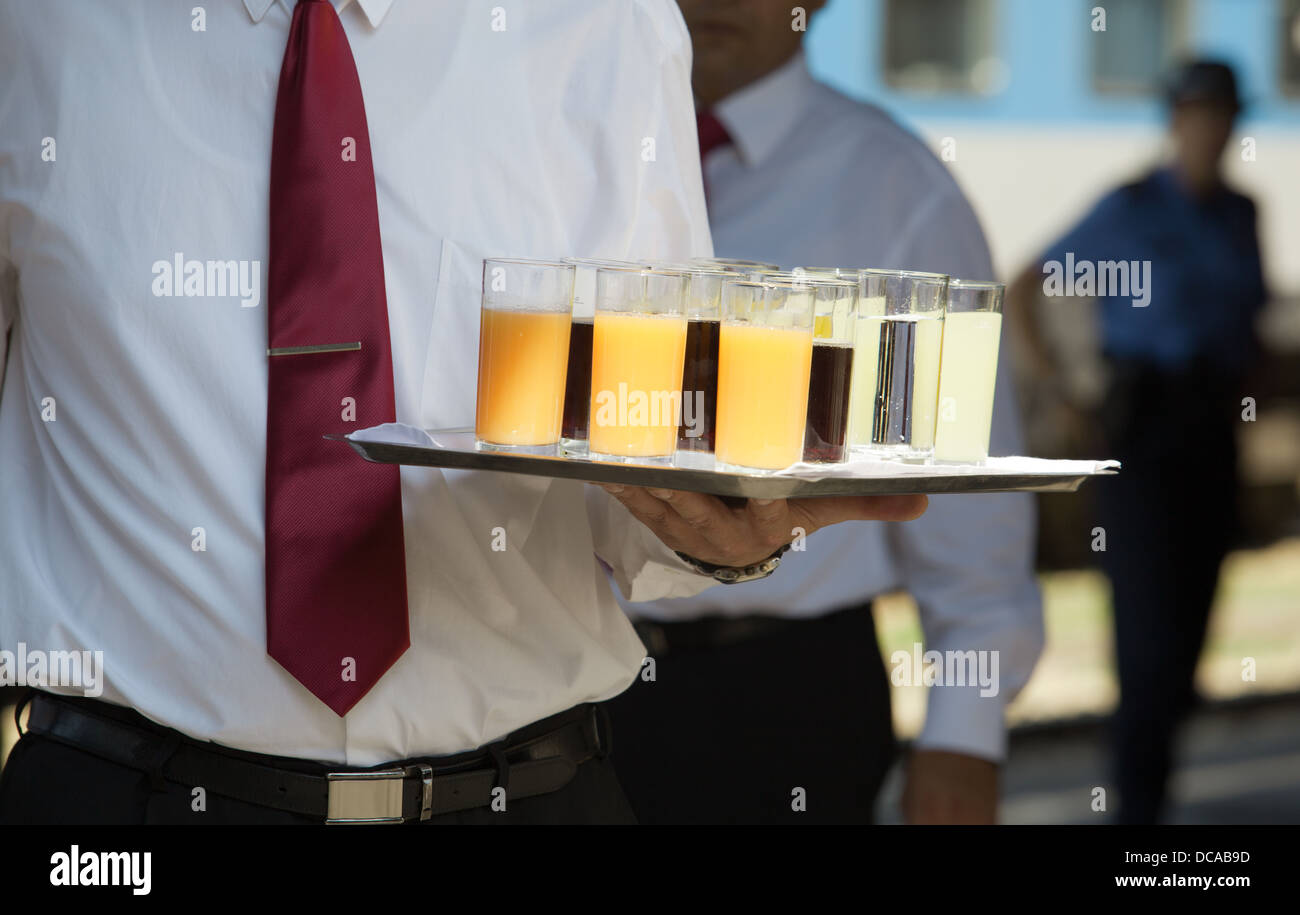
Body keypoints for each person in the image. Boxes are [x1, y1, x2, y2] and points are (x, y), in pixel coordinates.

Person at [0, 0, 925, 825]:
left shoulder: (608, 24)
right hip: (120, 805)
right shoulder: (37, 29)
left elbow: (639, 443)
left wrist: (722, 529)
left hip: (524, 797)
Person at [607, 0, 1043, 824]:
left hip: (785, 698)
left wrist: (963, 736)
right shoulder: (556, 153)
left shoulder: (895, 189)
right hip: (558, 697)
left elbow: (969, 507)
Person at [1006, 60, 1267, 824]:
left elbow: (1247, 330)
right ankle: (1138, 817)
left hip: (1212, 433)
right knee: (1147, 638)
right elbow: (1029, 282)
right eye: (1196, 112)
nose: (1210, 129)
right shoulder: (1130, 208)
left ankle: (1155, 796)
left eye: (1222, 114)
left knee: (1189, 639)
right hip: (1144, 432)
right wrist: (1060, 386)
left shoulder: (1241, 214)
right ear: (1174, 121)